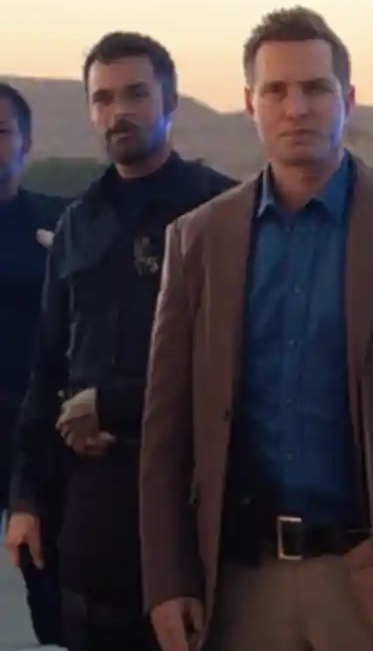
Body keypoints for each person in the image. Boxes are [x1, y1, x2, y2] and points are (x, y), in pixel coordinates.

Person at [139, 6, 373, 651]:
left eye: (316, 88)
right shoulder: (199, 240)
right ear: (250, 104)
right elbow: (167, 431)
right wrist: (166, 580)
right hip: (241, 582)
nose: (296, 107)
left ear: (348, 99)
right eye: (276, 90)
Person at [4, 32, 235, 651]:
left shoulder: (220, 210)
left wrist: (113, 403)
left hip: (191, 509)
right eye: (102, 99)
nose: (118, 112)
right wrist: (26, 497)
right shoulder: (78, 223)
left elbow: (235, 369)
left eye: (135, 94)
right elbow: (48, 365)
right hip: (89, 514)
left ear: (170, 100)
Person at [0, 82, 68, 648]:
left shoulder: (60, 226)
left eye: (1, 132)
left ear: (25, 143)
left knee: (48, 612)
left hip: (38, 443)